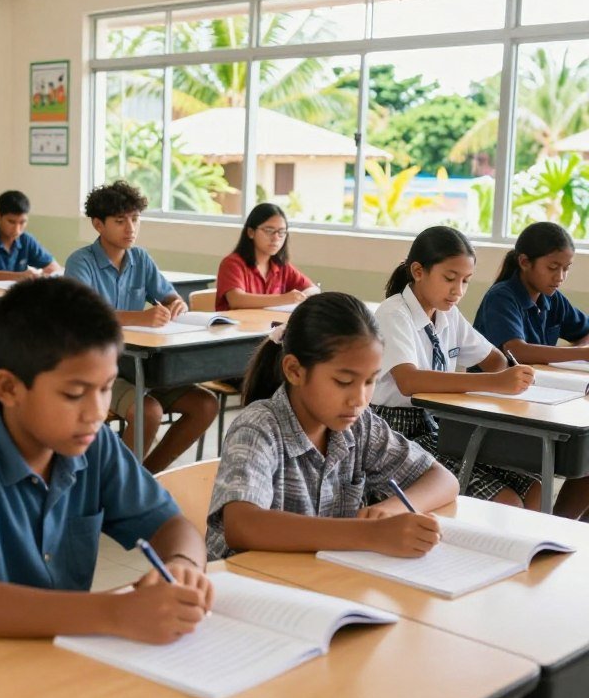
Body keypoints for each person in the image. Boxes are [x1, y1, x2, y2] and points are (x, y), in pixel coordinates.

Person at [0, 277, 213, 698]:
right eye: (75, 393)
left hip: (57, 652)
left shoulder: (93, 445)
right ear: (8, 387)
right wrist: (114, 612)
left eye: (106, 388)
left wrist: (184, 564)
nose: (97, 412)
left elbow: (171, 524)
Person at [207, 292, 458, 560]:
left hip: (317, 579)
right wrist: (369, 533)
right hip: (245, 587)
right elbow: (242, 525)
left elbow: (443, 479)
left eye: (370, 381)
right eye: (343, 381)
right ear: (294, 370)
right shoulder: (259, 427)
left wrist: (390, 511)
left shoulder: (359, 427)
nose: (359, 399)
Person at [370, 226, 548, 510]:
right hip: (396, 431)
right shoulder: (394, 313)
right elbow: (409, 381)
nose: (458, 291)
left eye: (466, 281)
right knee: (507, 500)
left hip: (440, 424)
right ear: (418, 271)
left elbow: (495, 360)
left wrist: (508, 373)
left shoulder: (448, 314)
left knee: (534, 485)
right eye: (450, 279)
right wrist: (494, 383)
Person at [64, 180, 217, 472]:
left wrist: (176, 303)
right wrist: (140, 318)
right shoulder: (80, 262)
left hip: (139, 365)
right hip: (94, 367)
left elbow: (168, 293)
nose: (130, 228)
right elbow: (84, 315)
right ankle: (119, 486)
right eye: (120, 221)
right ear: (98, 224)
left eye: (135, 219)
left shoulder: (140, 259)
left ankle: (146, 477)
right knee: (149, 412)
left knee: (205, 404)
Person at [475, 221, 589, 365]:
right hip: (493, 386)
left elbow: (586, 331)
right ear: (524, 262)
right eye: (552, 267)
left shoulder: (553, 299)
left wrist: (580, 350)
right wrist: (580, 353)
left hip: (537, 382)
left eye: (566, 268)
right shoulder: (500, 297)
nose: (560, 277)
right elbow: (516, 351)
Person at [214, 203, 315, 311]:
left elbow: (313, 289)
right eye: (269, 231)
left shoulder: (281, 266)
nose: (276, 238)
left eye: (281, 232)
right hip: (235, 326)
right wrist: (284, 298)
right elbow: (237, 300)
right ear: (251, 232)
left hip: (268, 326)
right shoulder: (232, 263)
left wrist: (302, 297)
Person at [0, 190, 61, 282]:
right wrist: (21, 276)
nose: (17, 230)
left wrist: (41, 275)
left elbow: (54, 268)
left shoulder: (26, 239)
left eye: (22, 222)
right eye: (11, 222)